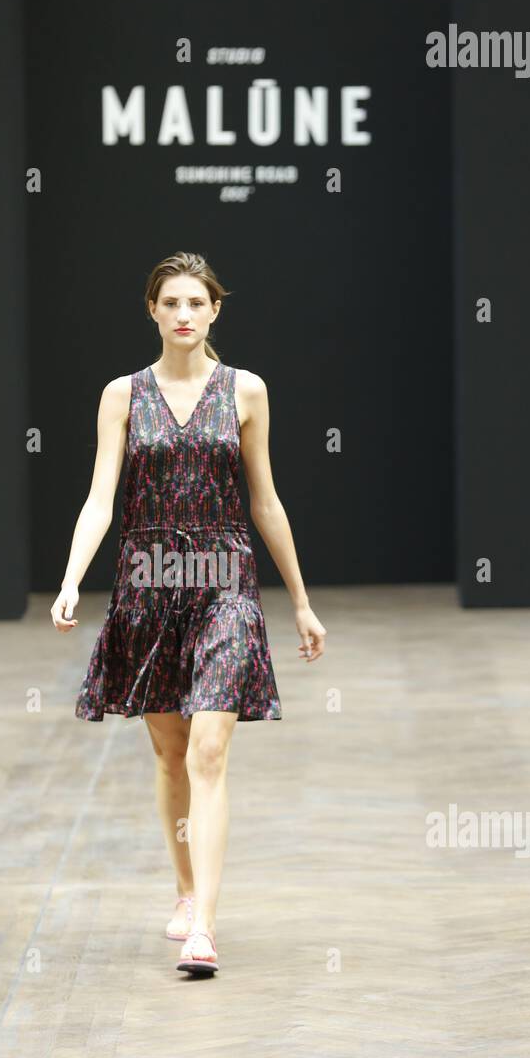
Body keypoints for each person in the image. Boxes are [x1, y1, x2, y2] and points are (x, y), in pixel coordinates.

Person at [51, 251, 326, 975]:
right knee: (171, 754)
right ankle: (182, 889)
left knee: (209, 750)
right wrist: (73, 579)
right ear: (152, 310)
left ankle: (204, 923)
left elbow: (264, 499)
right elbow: (99, 497)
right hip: (147, 588)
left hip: (225, 585)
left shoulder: (246, 392)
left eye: (195, 303)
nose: (182, 314)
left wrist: (299, 601)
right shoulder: (122, 395)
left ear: (214, 311)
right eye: (169, 302)